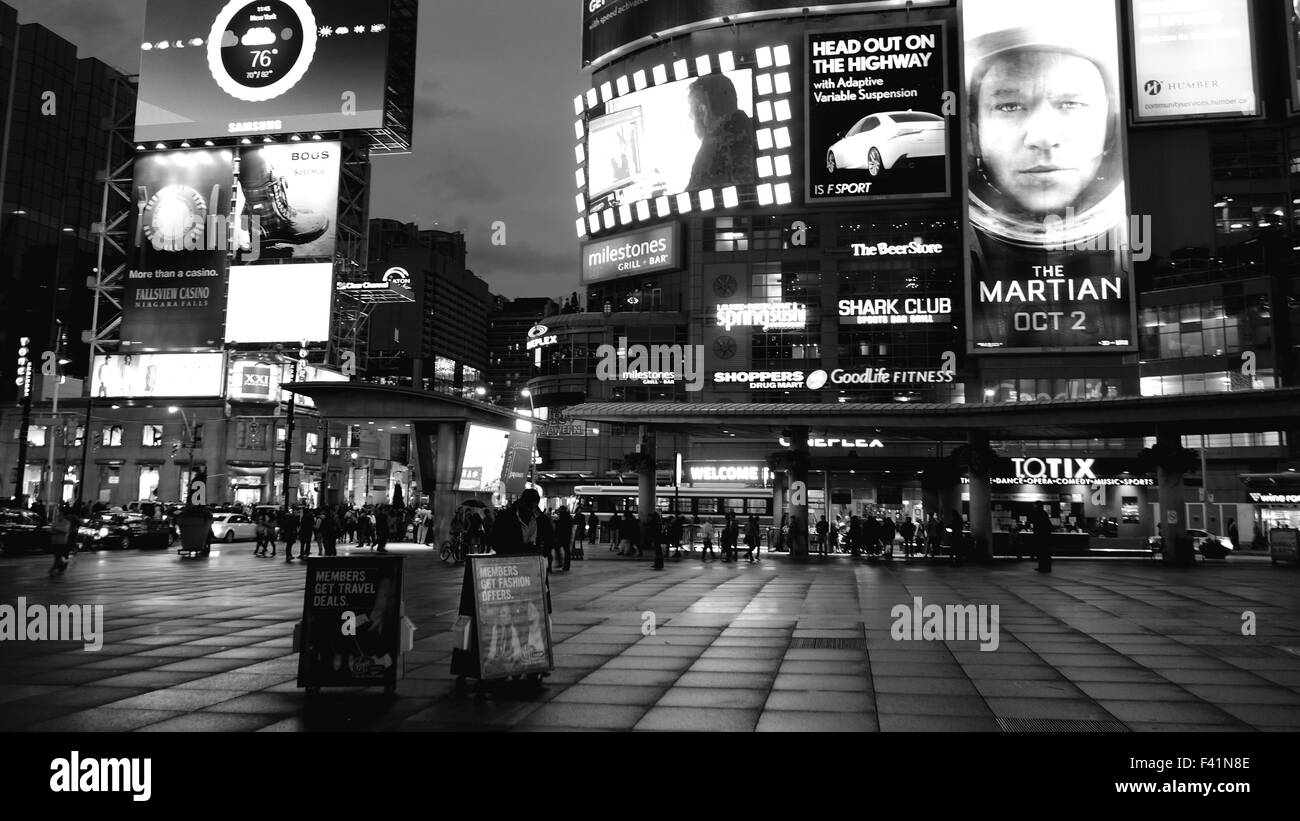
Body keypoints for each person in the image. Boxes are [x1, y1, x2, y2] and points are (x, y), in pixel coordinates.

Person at [686, 73, 757, 190]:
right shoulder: (755, 131)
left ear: (702, 111)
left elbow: (691, 201)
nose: (689, 117)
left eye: (691, 114)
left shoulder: (710, 156)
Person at [48, 505, 75, 576]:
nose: (58, 515)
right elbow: (51, 530)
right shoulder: (55, 522)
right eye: (58, 514)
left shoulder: (67, 522)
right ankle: (62, 567)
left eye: (60, 515)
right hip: (54, 541)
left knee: (58, 556)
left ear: (63, 516)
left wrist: (56, 529)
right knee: (57, 556)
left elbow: (65, 530)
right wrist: (58, 529)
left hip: (62, 542)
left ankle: (54, 569)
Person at [1031, 506, 1054, 573]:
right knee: (1045, 552)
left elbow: (1037, 525)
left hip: (1041, 536)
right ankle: (1045, 567)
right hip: (1045, 536)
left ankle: (1042, 567)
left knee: (1042, 552)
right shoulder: (1044, 513)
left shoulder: (1038, 514)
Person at [555, 506, 573, 572]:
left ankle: (560, 562)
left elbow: (559, 527)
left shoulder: (561, 517)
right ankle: (567, 566)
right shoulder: (569, 517)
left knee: (557, 547)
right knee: (567, 551)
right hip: (567, 537)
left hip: (561, 536)